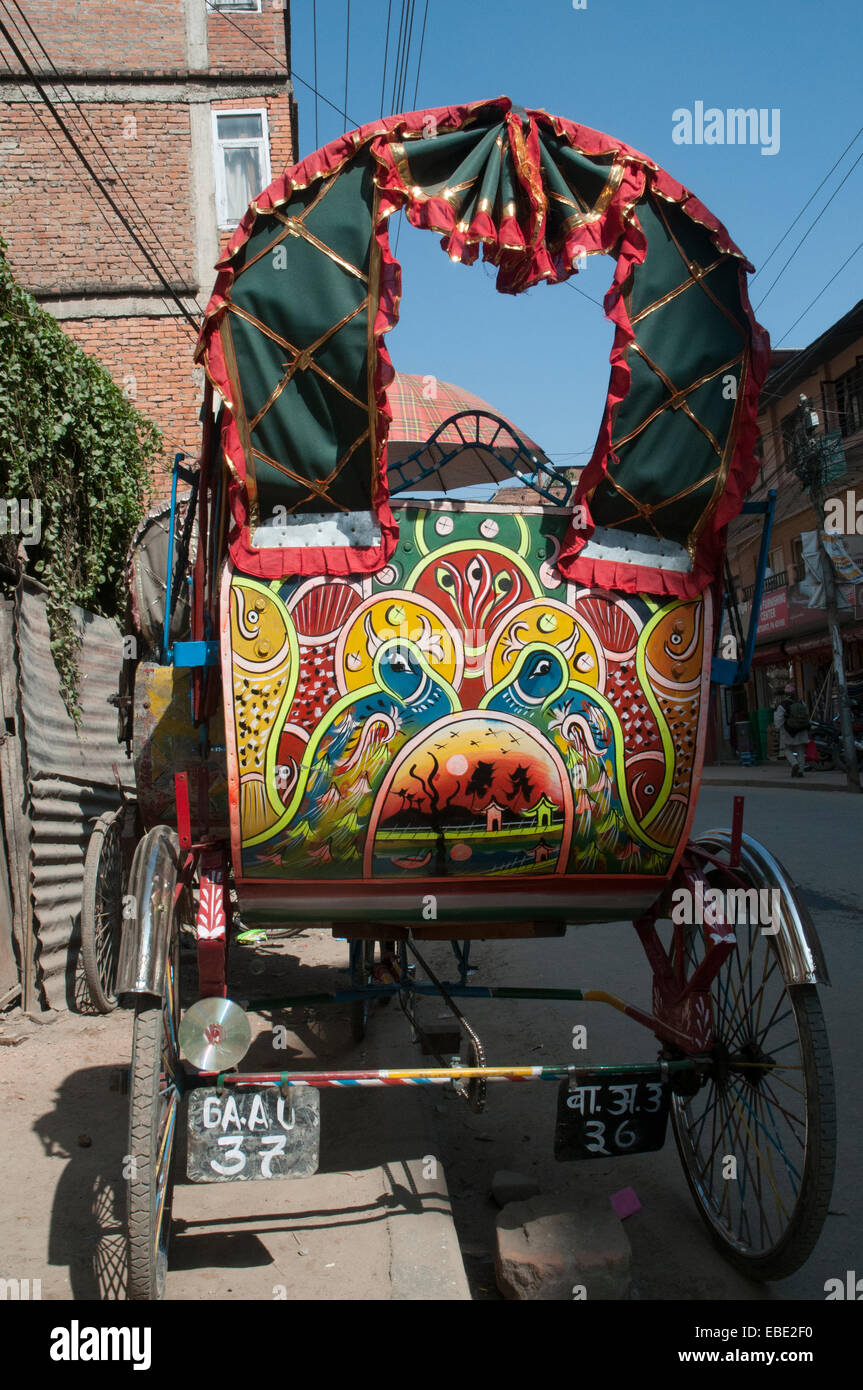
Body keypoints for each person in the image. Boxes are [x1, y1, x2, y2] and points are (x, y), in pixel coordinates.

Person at [774, 682, 809, 778]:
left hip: (788, 731)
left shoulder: (783, 705)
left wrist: (778, 728)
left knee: (786, 749)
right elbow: (807, 715)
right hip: (802, 730)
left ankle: (794, 763)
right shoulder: (801, 703)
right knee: (801, 750)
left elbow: (778, 719)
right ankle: (801, 770)